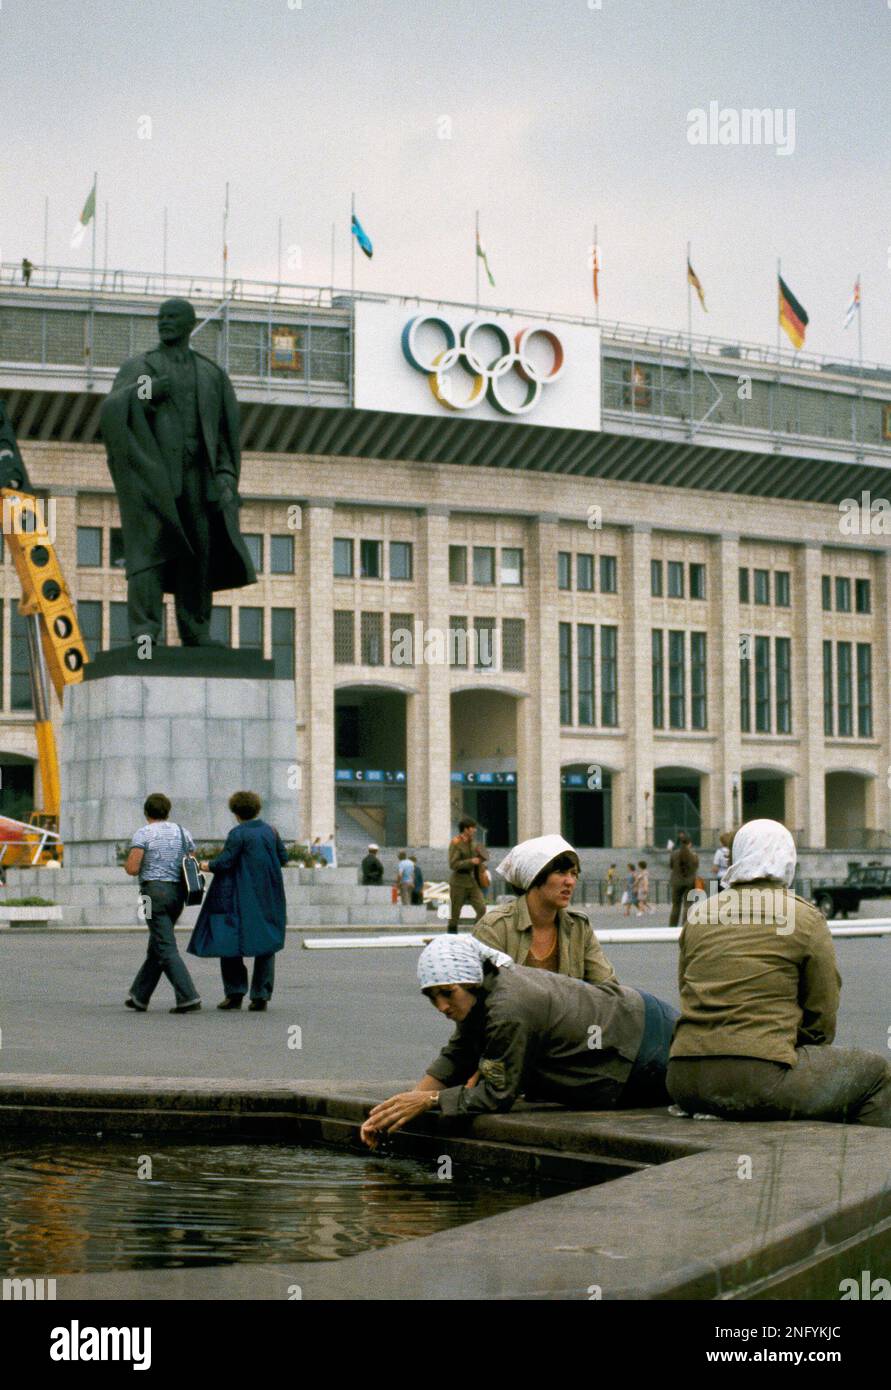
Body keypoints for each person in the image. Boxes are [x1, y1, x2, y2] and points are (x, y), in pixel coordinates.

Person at [668, 819, 891, 1128]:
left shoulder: (699, 914)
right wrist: (795, 1046)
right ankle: (855, 1167)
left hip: (683, 1077)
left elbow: (686, 988)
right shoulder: (805, 918)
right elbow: (823, 1009)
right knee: (877, 1074)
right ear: (787, 859)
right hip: (756, 1077)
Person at [359, 936, 678, 1146]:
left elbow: (498, 1095)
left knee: (699, 1084)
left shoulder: (508, 1007)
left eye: (447, 993)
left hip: (643, 1048)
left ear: (470, 980)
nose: (441, 1006)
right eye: (432, 997)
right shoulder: (486, 990)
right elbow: (458, 1055)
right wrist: (395, 1112)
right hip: (636, 1024)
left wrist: (427, 1102)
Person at [99, 297, 256, 646]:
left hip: (199, 481)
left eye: (172, 318)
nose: (164, 323)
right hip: (153, 483)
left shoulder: (212, 375)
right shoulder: (140, 366)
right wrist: (148, 391)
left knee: (198, 556)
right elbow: (111, 410)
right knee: (148, 556)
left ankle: (196, 629)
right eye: (161, 317)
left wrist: (228, 476)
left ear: (189, 324)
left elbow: (227, 434)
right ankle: (145, 632)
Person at [188, 790, 288, 1012]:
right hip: (268, 895)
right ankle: (261, 995)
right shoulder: (271, 831)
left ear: (235, 812)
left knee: (230, 940)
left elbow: (225, 862)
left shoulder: (238, 833)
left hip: (240, 894)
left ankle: (235, 993)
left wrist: (204, 865)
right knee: (266, 941)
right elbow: (284, 858)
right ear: (257, 809)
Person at [474, 834, 616, 983]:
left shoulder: (579, 927)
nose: (570, 881)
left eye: (574, 873)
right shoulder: (494, 928)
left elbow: (608, 988)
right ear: (534, 876)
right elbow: (485, 996)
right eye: (561, 872)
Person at [124, 792, 201, 1014]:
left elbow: (133, 868)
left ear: (146, 812)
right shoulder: (182, 833)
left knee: (164, 945)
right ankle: (140, 996)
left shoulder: (143, 834)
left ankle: (188, 996)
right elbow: (191, 860)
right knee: (157, 942)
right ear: (167, 812)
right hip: (177, 894)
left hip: (150, 894)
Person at [448, 816, 488, 934]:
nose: (475, 830)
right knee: (454, 914)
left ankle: (475, 935)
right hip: (458, 882)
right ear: (465, 829)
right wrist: (470, 861)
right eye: (473, 828)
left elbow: (478, 859)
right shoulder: (456, 843)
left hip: (472, 881)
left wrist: (481, 864)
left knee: (482, 908)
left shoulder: (474, 843)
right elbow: (453, 864)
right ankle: (451, 938)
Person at [668, 832, 699, 927]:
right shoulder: (694, 855)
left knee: (676, 905)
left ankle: (672, 926)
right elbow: (696, 867)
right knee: (688, 904)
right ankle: (685, 925)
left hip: (676, 881)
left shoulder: (674, 854)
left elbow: (671, 866)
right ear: (690, 843)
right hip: (690, 882)